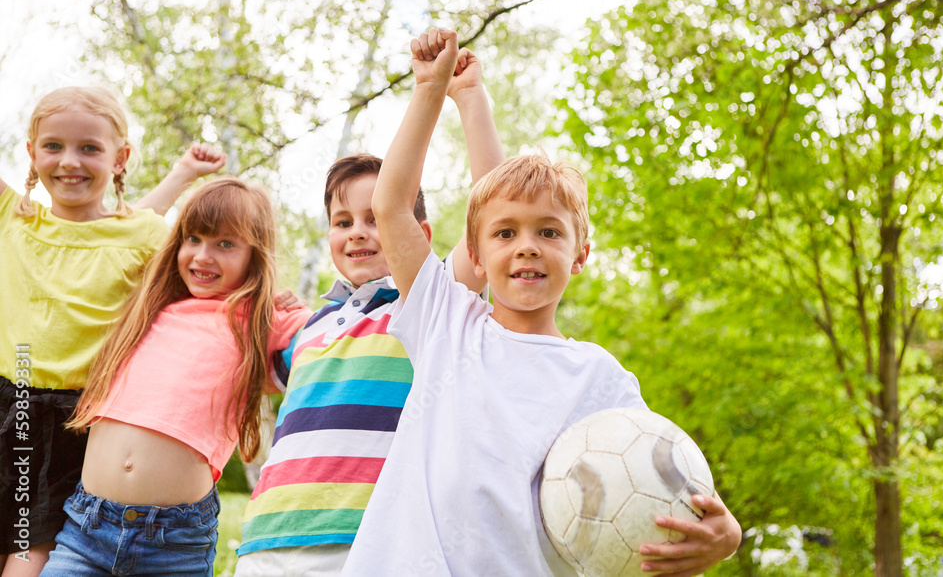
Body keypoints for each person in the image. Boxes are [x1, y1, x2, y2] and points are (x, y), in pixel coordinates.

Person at [341, 28, 741, 576]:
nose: (526, 245)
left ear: (580, 254)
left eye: (549, 232)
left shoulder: (600, 377)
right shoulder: (448, 322)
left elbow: (663, 484)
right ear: (475, 256)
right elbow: (391, 206)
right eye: (505, 235)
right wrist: (432, 90)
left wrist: (725, 534)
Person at [233, 40, 505, 576]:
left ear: (418, 234)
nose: (358, 232)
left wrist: (469, 98)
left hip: (372, 542)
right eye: (342, 221)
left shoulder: (428, 309)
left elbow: (495, 214)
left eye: (377, 217)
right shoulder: (307, 328)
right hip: (267, 539)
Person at [0, 85, 225, 577]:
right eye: (53, 146)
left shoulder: (143, 234)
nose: (68, 161)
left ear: (120, 157)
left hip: (75, 415)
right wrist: (182, 172)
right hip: (8, 401)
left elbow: (152, 239)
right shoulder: (12, 217)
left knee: (30, 550)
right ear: (31, 153)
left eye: (89, 148)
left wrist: (183, 176)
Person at [36, 177, 312, 577]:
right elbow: (118, 235)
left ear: (255, 256)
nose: (203, 255)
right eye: (193, 238)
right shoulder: (150, 308)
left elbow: (324, 347)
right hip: (87, 529)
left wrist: (297, 313)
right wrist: (182, 171)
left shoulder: (258, 320)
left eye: (225, 244)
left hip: (175, 543)